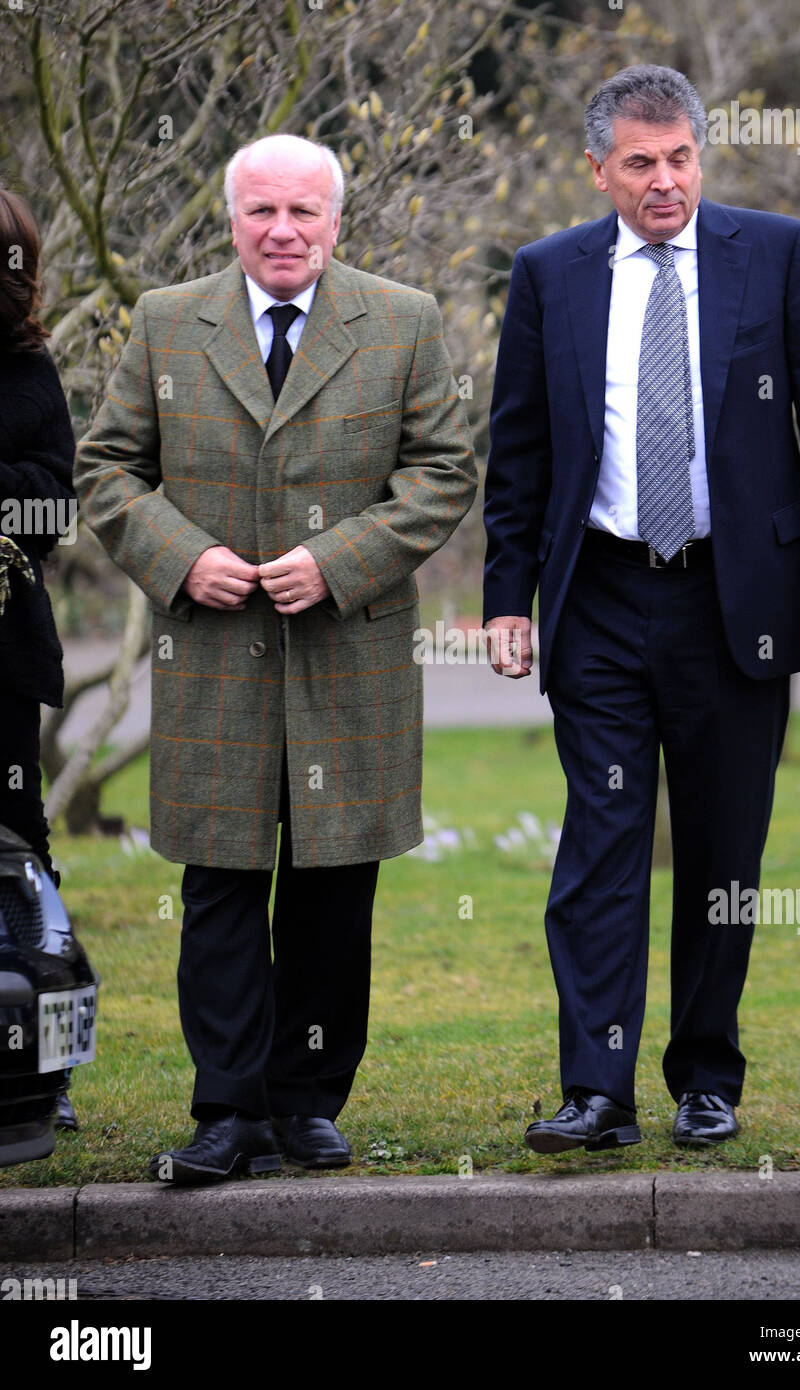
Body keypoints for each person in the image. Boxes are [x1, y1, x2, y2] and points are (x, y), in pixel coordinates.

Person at [483, 65, 800, 1153]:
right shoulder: (547, 274)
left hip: (734, 603)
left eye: (682, 157)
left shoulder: (781, 254)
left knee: (721, 854)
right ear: (598, 167)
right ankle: (596, 1091)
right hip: (599, 600)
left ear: (702, 154)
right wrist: (505, 599)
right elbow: (516, 455)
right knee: (598, 847)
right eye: (642, 163)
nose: (666, 182)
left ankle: (707, 1074)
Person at [75, 134, 476, 1184]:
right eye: (262, 212)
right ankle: (226, 1112)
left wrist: (339, 560)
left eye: (304, 212)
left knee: (332, 893)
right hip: (213, 660)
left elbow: (443, 472)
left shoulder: (403, 320)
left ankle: (306, 1106)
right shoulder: (167, 321)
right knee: (219, 891)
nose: (284, 231)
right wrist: (183, 554)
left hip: (352, 656)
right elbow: (108, 468)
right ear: (233, 219)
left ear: (338, 221)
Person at [0, 188, 78, 1133]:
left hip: (1, 662)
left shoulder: (29, 371)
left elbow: (52, 512)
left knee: (20, 864)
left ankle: (46, 1077)